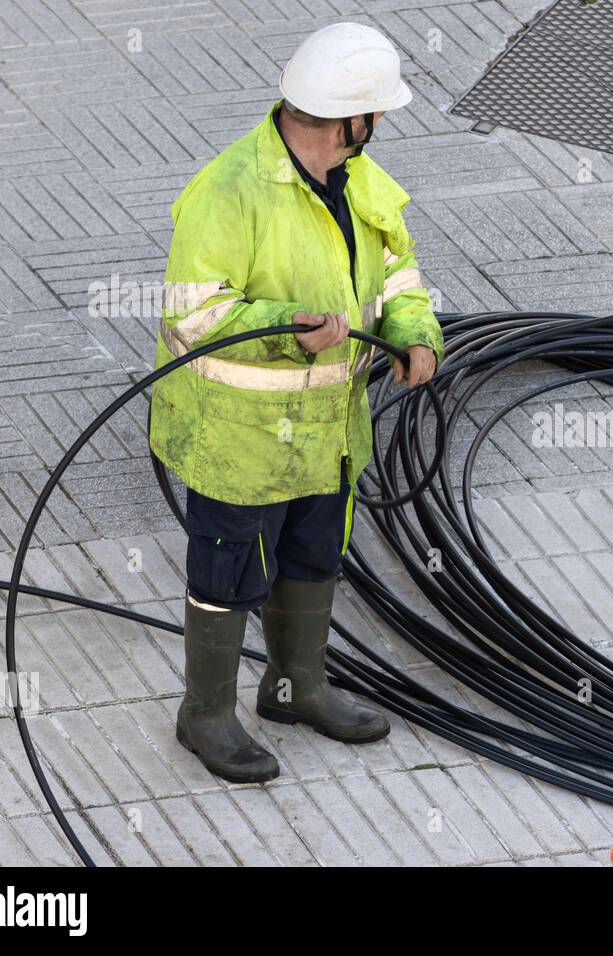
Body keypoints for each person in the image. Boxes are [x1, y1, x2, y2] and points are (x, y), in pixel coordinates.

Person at [148, 23, 443, 782]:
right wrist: (286, 330)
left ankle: (292, 689)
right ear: (353, 118)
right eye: (377, 114)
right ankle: (205, 715)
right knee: (227, 573)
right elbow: (196, 315)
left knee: (314, 554)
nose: (380, 127)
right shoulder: (227, 192)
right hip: (239, 439)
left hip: (327, 431)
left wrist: (416, 336)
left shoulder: (361, 182)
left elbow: (401, 276)